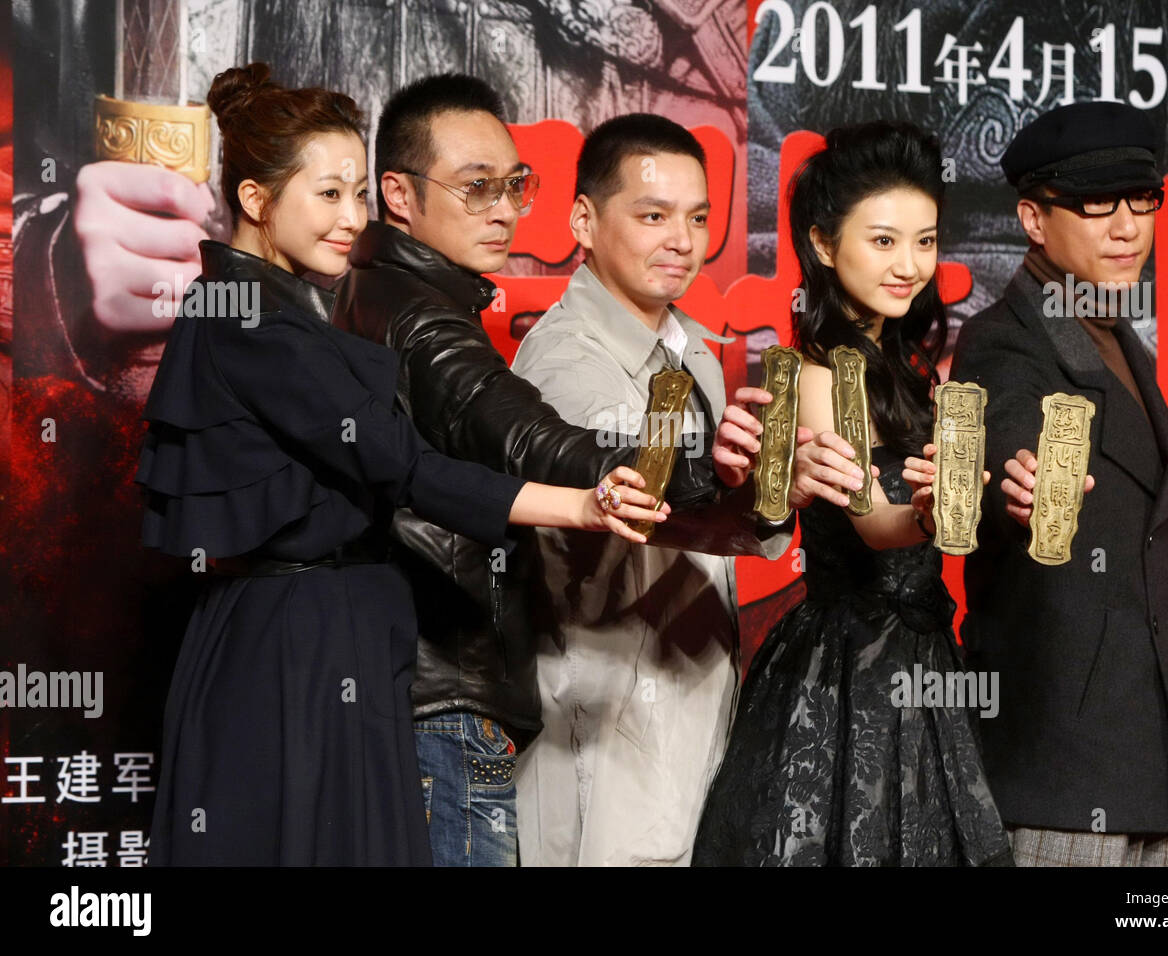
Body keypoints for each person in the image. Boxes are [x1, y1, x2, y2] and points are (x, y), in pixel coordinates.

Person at [136, 64, 662, 866]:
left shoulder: (283, 311)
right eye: (328, 194)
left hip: (325, 642)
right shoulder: (252, 323)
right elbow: (409, 469)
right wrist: (582, 505)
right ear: (254, 199)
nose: (354, 218)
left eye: (358, 194)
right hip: (300, 652)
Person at [331, 75, 791, 865]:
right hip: (567, 715)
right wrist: (706, 475)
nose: (503, 209)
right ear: (398, 195)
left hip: (655, 713)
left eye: (514, 186)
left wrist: (769, 485)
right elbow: (542, 445)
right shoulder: (451, 328)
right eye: (477, 188)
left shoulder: (694, 351)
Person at [510, 114, 865, 866]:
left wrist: (772, 485)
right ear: (583, 220)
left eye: (698, 218)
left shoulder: (694, 351)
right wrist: (750, 486)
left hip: (693, 702)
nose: (682, 239)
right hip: (605, 720)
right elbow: (645, 500)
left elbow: (720, 510)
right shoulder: (564, 358)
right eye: (653, 216)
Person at [692, 121, 1012, 867]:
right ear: (824, 244)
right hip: (850, 669)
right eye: (884, 241)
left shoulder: (905, 365)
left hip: (923, 658)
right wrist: (928, 514)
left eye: (925, 241)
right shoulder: (813, 373)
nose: (910, 265)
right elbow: (874, 522)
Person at [950, 100, 1168, 866]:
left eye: (1142, 200)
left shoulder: (1120, 338)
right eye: (1097, 204)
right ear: (1033, 218)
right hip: (1062, 772)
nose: (1127, 227)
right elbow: (1007, 440)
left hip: (1156, 762)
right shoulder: (1003, 340)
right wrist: (1020, 486)